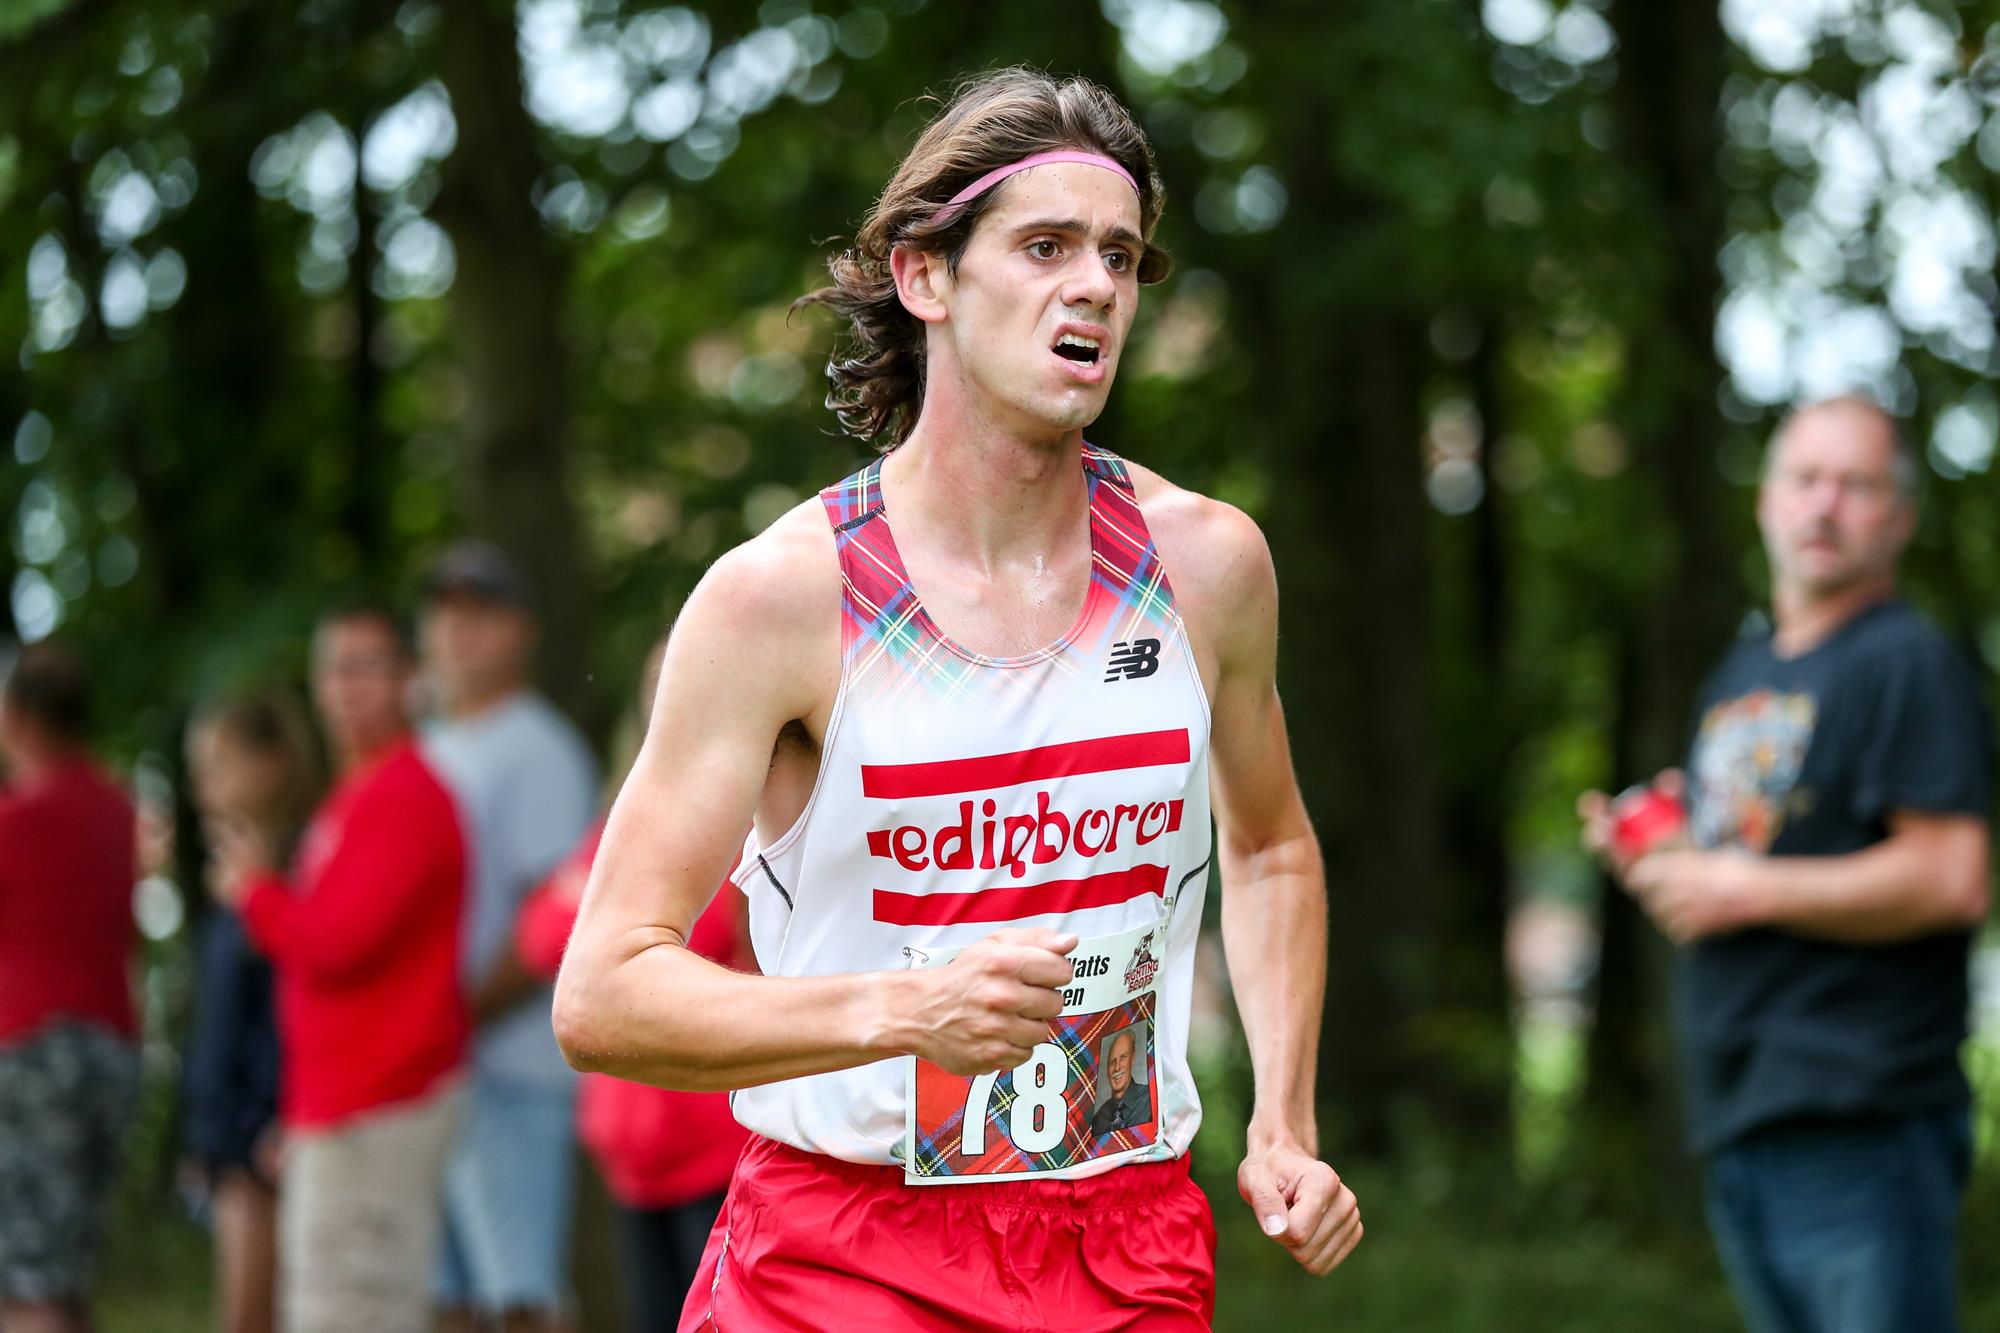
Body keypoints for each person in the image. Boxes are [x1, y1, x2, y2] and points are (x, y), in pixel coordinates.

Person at [554, 68, 1361, 1333]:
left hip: (1122, 1249)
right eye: (1043, 246)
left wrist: (1283, 1122)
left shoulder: (1206, 568)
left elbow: (1267, 849)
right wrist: (900, 1012)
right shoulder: (780, 599)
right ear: (926, 276)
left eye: (1118, 255)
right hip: (838, 1254)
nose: (1093, 283)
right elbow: (603, 992)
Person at [1581, 395, 1992, 1333]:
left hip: (1861, 1115)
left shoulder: (1906, 661)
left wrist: (1738, 885)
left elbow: (1951, 873)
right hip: (1743, 1112)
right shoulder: (1746, 670)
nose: (1824, 505)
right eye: (1805, 478)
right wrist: (1668, 851)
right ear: (1765, 500)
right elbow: (1750, 861)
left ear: (1899, 517)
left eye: (1857, 485)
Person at [208, 603, 469, 1333]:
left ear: (410, 679)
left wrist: (256, 890)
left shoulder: (409, 793)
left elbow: (336, 943)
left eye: (368, 665)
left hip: (377, 1107)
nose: (347, 685)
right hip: (338, 1109)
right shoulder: (355, 795)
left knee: (354, 1311)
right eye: (334, 667)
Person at [513, 638, 752, 1332]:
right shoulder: (626, 819)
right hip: (634, 1158)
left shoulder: (746, 820)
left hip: (714, 1147)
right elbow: (541, 935)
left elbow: (692, 930)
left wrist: (595, 907)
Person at [418, 541, 597, 1333]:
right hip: (438, 1072)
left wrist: (449, 1015)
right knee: (449, 1302)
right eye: (445, 613)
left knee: (520, 1302)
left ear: (520, 630)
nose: (457, 631)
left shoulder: (539, 745)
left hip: (513, 1071)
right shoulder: (429, 746)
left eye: (479, 614)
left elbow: (552, 921)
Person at [0, 642, 141, 1333]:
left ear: (18, 716)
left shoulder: (17, 819)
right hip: (112, 1046)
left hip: (30, 1052)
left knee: (27, 1284)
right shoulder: (118, 808)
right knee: (70, 1275)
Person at [181, 693, 318, 1333]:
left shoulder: (294, 868)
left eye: (219, 764)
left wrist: (281, 1113)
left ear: (272, 764)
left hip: (267, 1130)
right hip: (229, 1133)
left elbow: (296, 1005)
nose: (203, 786)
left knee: (258, 1315)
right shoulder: (229, 874)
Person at [1089, 1026, 1150, 1138]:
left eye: (1123, 1057)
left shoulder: (1148, 1099)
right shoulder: (1098, 1118)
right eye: (1112, 1062)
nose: (1117, 1067)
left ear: (1133, 1058)